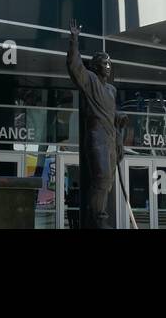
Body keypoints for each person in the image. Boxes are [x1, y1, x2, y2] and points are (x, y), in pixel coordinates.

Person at [66, 20, 121, 228]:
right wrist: (74, 40)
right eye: (105, 63)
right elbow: (75, 66)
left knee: (108, 183)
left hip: (110, 138)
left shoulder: (112, 91)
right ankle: (98, 217)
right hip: (96, 137)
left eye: (110, 64)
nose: (108, 67)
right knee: (101, 178)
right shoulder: (90, 81)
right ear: (97, 65)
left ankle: (100, 214)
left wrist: (119, 125)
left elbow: (111, 115)